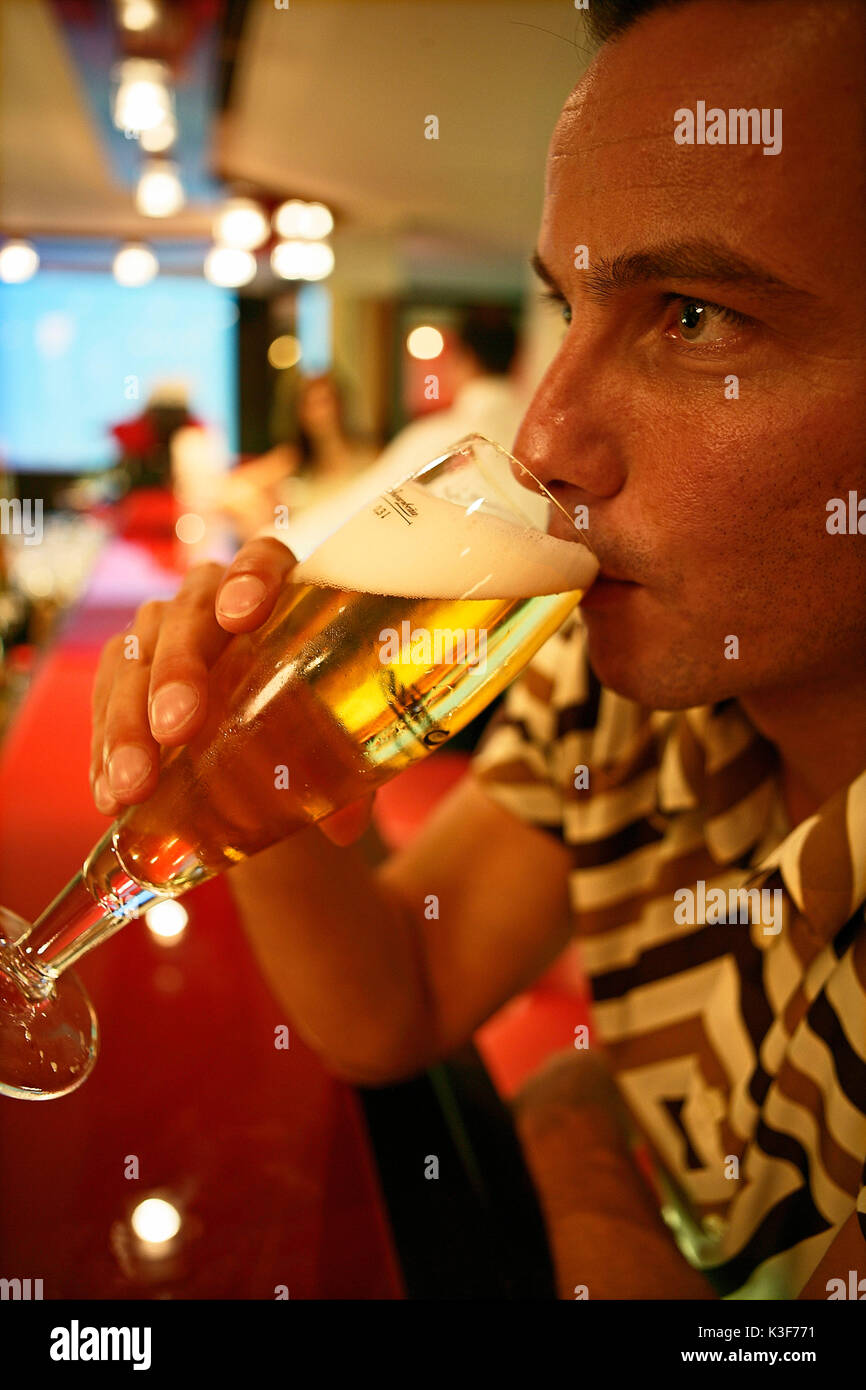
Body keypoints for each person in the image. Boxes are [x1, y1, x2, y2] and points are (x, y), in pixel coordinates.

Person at [88, 0, 866, 1300]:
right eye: (569, 301)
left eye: (692, 316)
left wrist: (569, 1134)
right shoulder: (621, 695)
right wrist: (235, 739)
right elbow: (396, 995)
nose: (543, 441)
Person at [272, 307, 529, 561]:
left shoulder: (433, 437)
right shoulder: (535, 441)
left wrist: (273, 543)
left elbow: (356, 512)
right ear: (517, 358)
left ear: (462, 358)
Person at [217, 372, 378, 542]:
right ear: (300, 413)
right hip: (309, 547)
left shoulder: (369, 459)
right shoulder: (292, 459)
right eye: (311, 405)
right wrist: (272, 511)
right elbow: (230, 492)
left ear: (340, 405)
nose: (321, 413)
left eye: (325, 402)